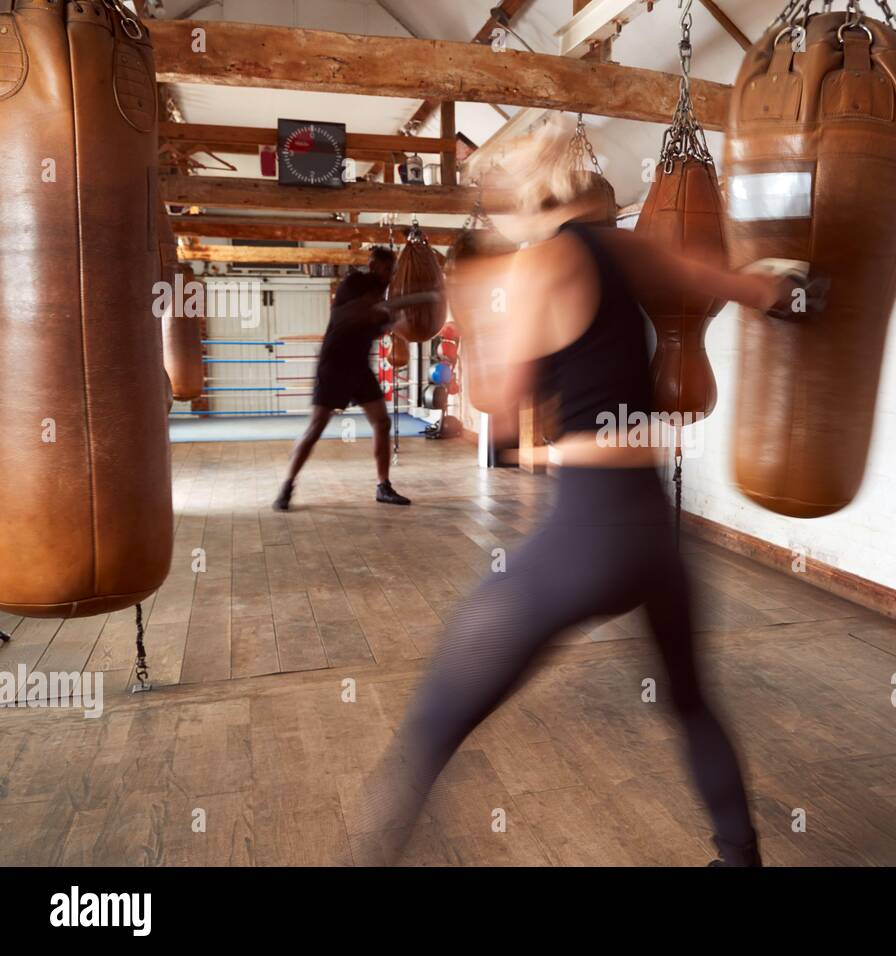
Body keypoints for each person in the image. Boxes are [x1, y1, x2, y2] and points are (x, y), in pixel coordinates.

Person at [358, 124, 800, 867]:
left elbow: (498, 407)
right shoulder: (616, 246)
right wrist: (781, 292)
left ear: (531, 200)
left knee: (434, 718)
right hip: (654, 526)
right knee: (690, 700)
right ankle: (738, 855)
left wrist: (474, 311)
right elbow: (733, 284)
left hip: (588, 531)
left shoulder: (540, 264)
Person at [274, 246, 412, 511]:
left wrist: (399, 320)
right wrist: (389, 310)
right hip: (334, 365)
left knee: (381, 423)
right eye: (384, 268)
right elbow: (354, 313)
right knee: (315, 428)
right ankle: (287, 486)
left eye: (390, 270)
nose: (387, 274)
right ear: (373, 266)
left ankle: (383, 486)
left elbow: (379, 327)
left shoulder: (383, 295)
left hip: (359, 367)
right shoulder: (354, 283)